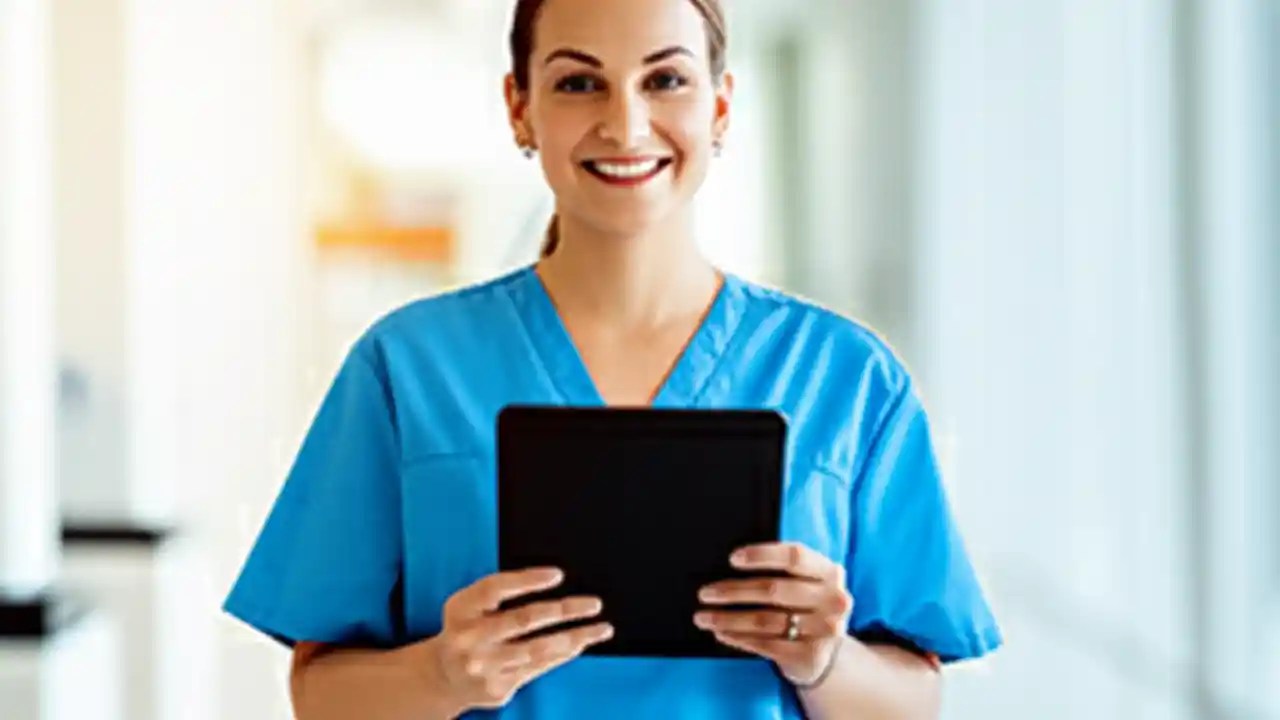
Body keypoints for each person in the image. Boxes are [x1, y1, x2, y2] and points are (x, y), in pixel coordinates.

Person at [222, 0, 1002, 717]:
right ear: (519, 109)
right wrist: (442, 676)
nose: (626, 126)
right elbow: (319, 694)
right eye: (578, 83)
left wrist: (824, 660)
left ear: (720, 106)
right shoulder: (407, 368)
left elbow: (914, 700)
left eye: (665, 79)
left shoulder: (846, 376)